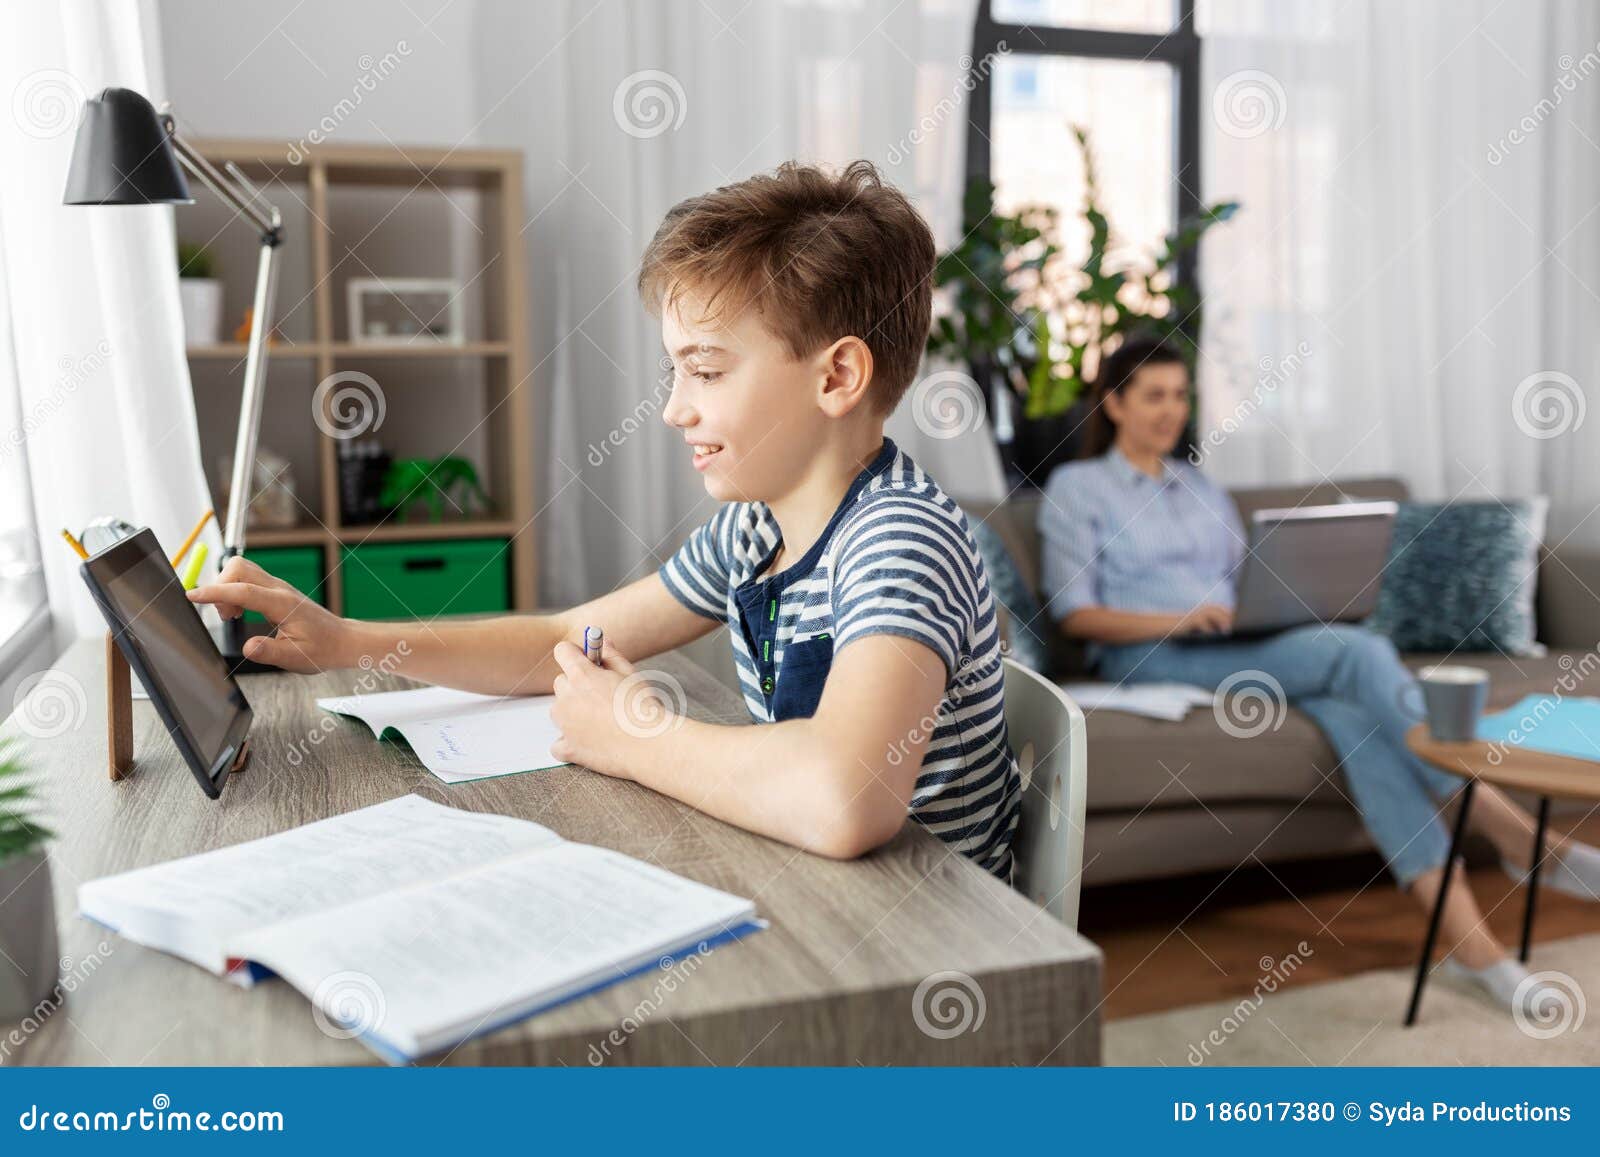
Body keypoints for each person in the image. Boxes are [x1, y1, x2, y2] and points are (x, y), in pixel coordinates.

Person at [188, 161, 1020, 876]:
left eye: (705, 370)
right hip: (820, 888)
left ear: (836, 376)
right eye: (675, 371)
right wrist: (352, 641)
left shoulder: (899, 539)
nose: (674, 409)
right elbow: (563, 634)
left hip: (927, 936)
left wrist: (634, 732)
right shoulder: (757, 529)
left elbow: (844, 798)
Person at [1038, 335, 1600, 1012]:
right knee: (1355, 651)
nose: (1171, 410)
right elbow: (1076, 614)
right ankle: (1513, 832)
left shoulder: (1201, 488)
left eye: (1180, 395)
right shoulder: (1076, 488)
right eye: (1154, 395)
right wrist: (1184, 617)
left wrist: (1277, 598)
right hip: (1150, 656)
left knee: (1355, 721)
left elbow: (1246, 584)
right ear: (1114, 401)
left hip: (1237, 642)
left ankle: (1478, 951)